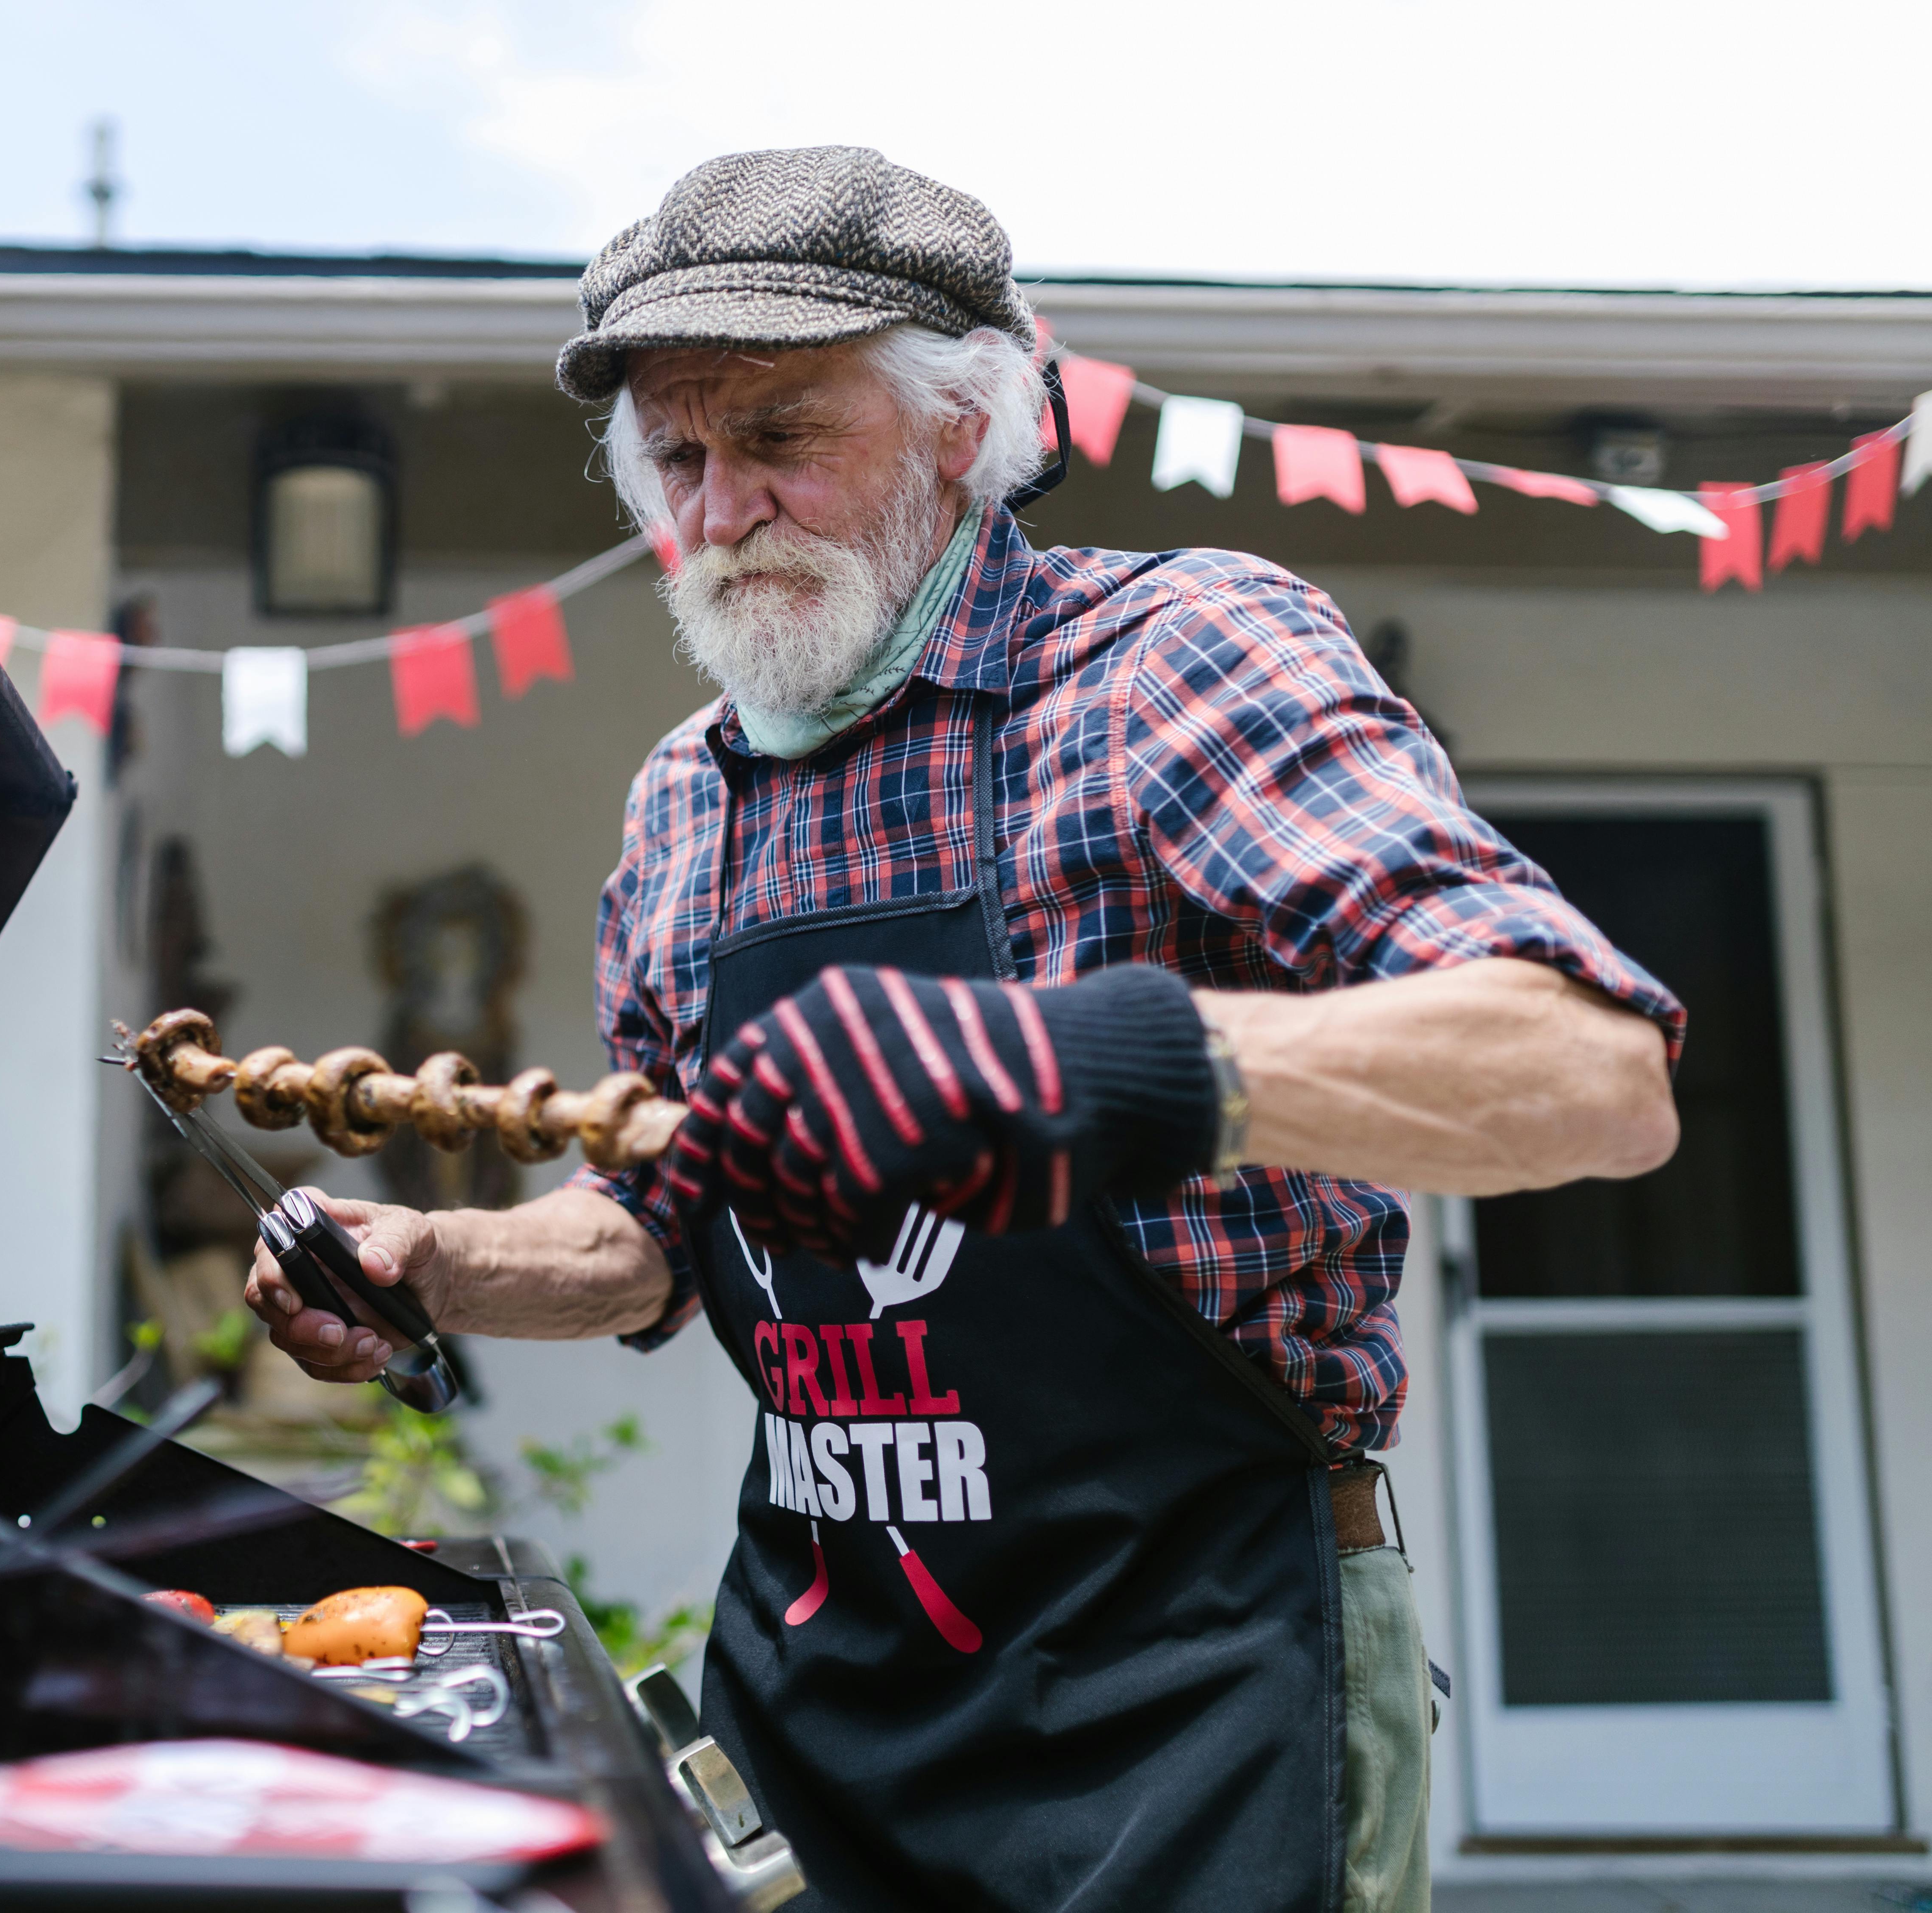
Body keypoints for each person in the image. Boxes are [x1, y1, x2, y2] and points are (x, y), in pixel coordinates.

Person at [244, 146, 1683, 1913]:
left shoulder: (1174, 661)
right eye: (679, 459)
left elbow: (1592, 1075)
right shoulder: (686, 801)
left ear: (962, 423)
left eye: (779, 434)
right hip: (829, 1694)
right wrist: (437, 1259)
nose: (723, 505)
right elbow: (670, 1229)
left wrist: (1090, 1065)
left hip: (1192, 1677)